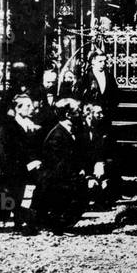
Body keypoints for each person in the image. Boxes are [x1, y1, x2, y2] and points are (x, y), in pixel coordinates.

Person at [32, 99, 89, 232]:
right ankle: (57, 225)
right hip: (56, 180)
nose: (81, 114)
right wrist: (76, 174)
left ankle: (61, 224)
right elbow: (59, 164)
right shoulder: (57, 135)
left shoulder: (70, 131)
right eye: (78, 111)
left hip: (65, 176)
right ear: (68, 115)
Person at [0, 93, 44, 232]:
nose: (31, 108)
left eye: (31, 105)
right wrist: (26, 166)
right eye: (28, 106)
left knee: (22, 195)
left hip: (25, 171)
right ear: (18, 108)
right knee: (9, 197)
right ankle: (12, 219)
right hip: (13, 170)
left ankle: (19, 220)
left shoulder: (29, 126)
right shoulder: (8, 128)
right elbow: (5, 153)